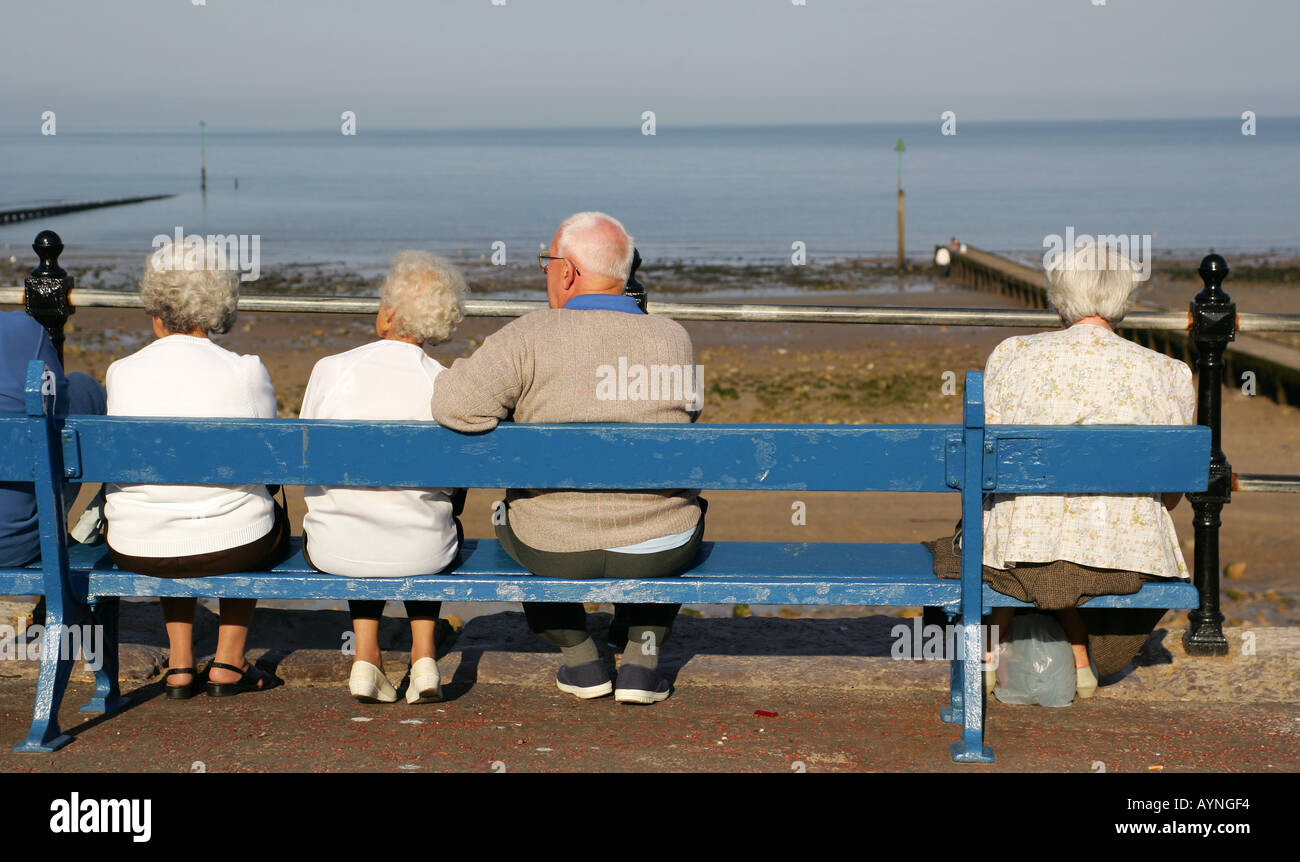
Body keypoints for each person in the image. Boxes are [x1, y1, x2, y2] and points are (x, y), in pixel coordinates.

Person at [433, 212, 703, 705]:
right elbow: (690, 417)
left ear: (567, 272)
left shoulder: (528, 336)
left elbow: (454, 406)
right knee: (681, 512)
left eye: (546, 263)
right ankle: (641, 662)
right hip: (660, 544)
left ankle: (580, 655)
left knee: (508, 515)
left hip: (554, 545)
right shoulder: (674, 338)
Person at [928, 239, 1194, 699]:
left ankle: (991, 647)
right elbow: (1170, 496)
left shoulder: (1012, 354)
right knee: (1063, 559)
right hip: (1125, 560)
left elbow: (985, 470)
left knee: (977, 543)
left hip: (1015, 553)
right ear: (1125, 303)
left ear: (1058, 299)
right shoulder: (1168, 372)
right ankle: (1079, 654)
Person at [105, 239, 289, 699]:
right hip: (235, 545)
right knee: (252, 505)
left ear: (156, 302)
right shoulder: (244, 370)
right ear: (219, 301)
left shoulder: (122, 371)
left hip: (138, 543)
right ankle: (228, 661)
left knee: (169, 499)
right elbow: (269, 462)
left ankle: (182, 664)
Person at [299, 250, 467, 704]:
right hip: (423, 549)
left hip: (337, 546)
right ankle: (425, 658)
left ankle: (365, 660)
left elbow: (306, 462)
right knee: (431, 513)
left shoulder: (330, 370)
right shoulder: (446, 381)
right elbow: (451, 485)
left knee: (360, 506)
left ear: (390, 313)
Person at [0, 312, 106, 568]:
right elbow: (60, 409)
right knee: (83, 391)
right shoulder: (23, 331)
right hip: (13, 545)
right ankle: (90, 522)